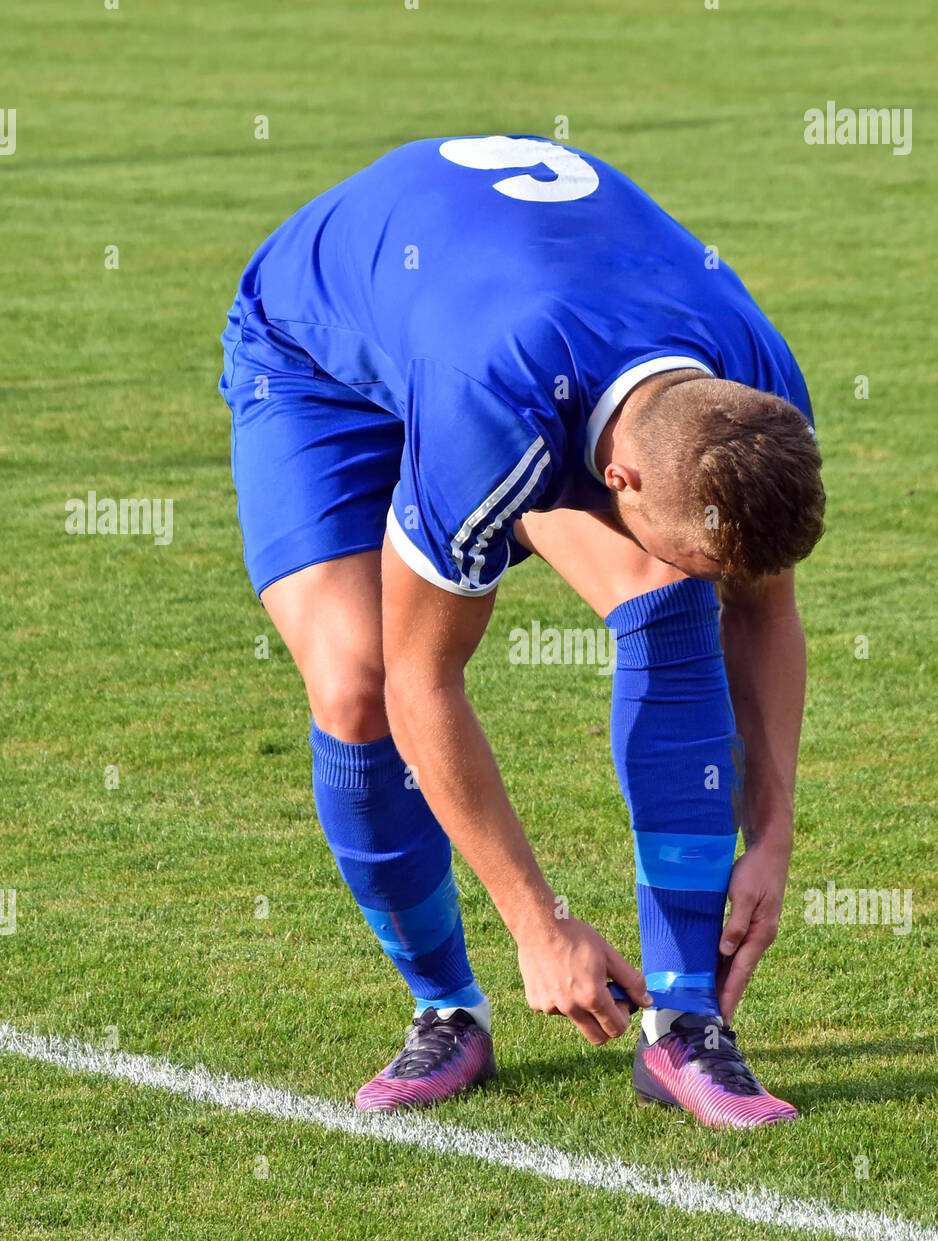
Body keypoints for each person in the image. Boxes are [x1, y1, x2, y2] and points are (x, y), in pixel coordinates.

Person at [218, 135, 825, 1129]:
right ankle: (445, 1009)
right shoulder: (490, 416)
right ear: (614, 482)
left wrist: (773, 827)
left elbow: (762, 605)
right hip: (318, 351)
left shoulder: (753, 386)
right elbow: (426, 680)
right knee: (360, 686)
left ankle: (685, 1026)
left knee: (670, 599)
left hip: (518, 331)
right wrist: (536, 923)